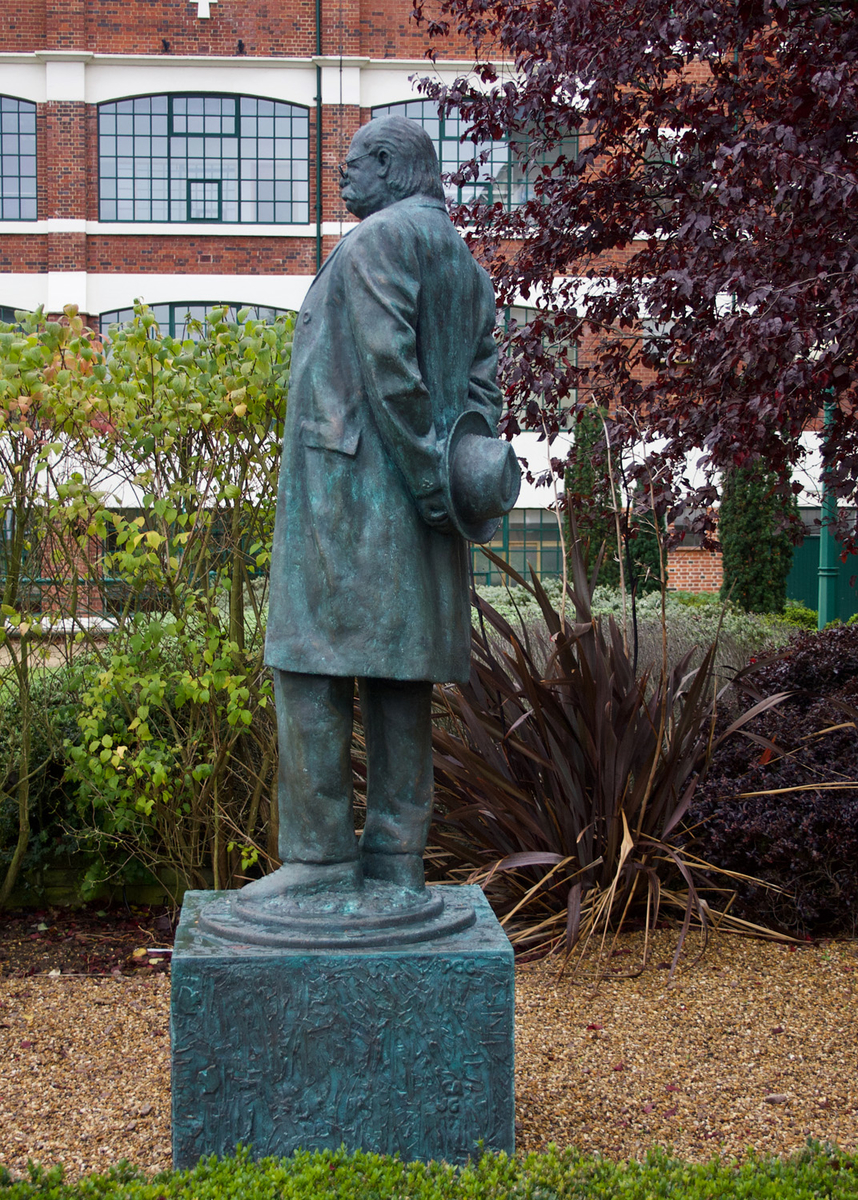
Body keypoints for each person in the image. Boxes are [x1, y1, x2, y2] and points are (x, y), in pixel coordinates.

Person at [242, 116, 517, 904]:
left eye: (355, 164)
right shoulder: (465, 263)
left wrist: (429, 481)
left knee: (307, 668)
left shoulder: (376, 242)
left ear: (392, 166)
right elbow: (481, 393)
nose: (343, 177)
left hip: (348, 504)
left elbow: (390, 372)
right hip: (421, 514)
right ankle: (398, 860)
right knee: (401, 679)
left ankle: (320, 861)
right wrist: (456, 481)